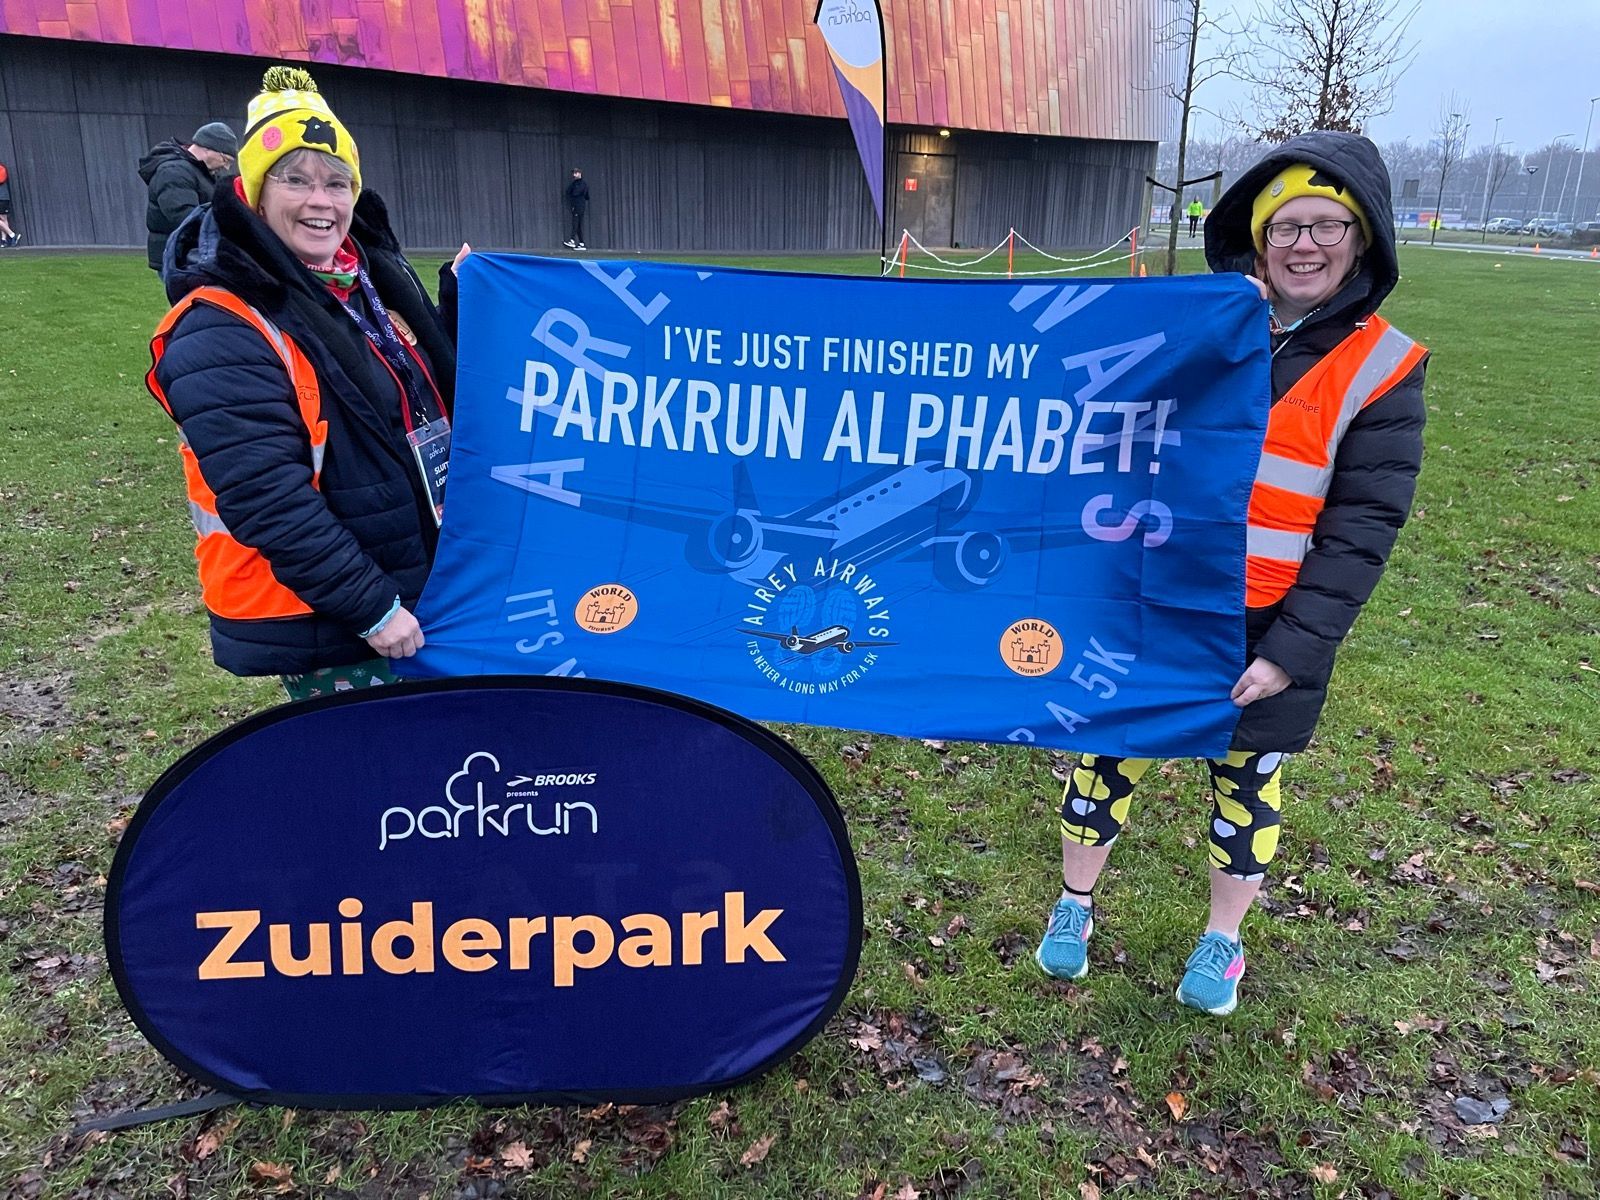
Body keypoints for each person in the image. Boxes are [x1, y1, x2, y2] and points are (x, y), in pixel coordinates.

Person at [1036, 132, 1427, 1015]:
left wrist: (1291, 651)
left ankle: (1223, 944)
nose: (1306, 245)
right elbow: (1095, 406)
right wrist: (1207, 323)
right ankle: (1074, 907)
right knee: (1105, 760)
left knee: (1248, 785)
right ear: (1260, 238)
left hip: (1267, 625)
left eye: (1329, 226)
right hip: (1153, 605)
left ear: (1361, 241)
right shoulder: (1206, 322)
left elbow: (1364, 527)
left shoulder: (1383, 367)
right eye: (1288, 225)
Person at [146, 67, 469, 701]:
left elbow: (410, 396)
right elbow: (267, 495)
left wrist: (461, 304)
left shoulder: (363, 278)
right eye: (295, 179)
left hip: (417, 577)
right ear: (255, 192)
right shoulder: (222, 327)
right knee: (380, 784)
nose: (321, 201)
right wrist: (373, 609)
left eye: (337, 181)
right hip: (341, 620)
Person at [139, 123, 239, 273]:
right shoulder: (173, 172)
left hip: (193, 253)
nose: (226, 167)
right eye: (225, 160)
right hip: (179, 257)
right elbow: (185, 217)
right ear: (207, 149)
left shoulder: (202, 172)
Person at [563, 167, 589, 250]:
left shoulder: (582, 184)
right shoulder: (574, 183)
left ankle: (572, 240)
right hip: (577, 205)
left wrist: (576, 198)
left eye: (576, 173)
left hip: (579, 206)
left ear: (580, 174)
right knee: (578, 225)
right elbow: (568, 191)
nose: (574, 174)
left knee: (575, 223)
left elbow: (582, 194)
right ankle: (581, 243)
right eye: (573, 173)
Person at [0, 161, 19, 246]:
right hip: (3, 197)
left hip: (2, 197)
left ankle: (12, 235)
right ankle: (4, 240)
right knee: (3, 219)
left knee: (3, 219)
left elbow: (1, 179)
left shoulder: (1, 169)